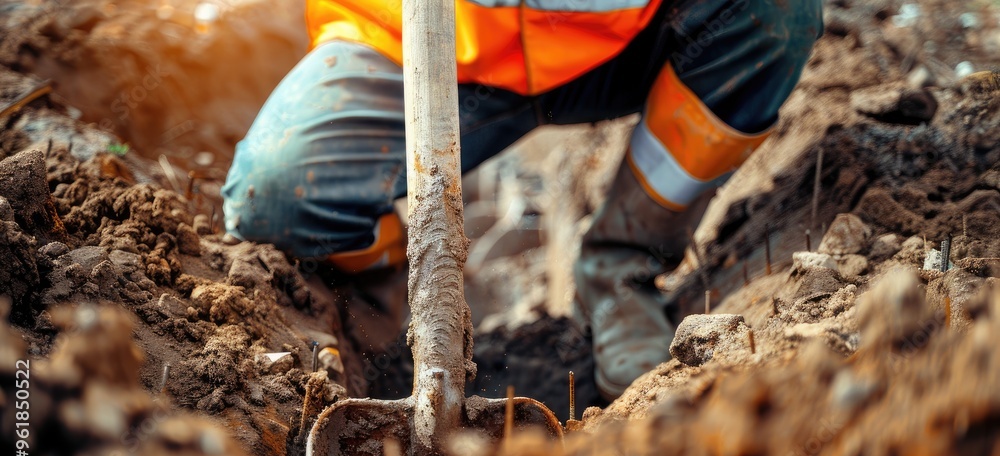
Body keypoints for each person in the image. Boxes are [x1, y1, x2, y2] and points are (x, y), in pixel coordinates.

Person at [222, 0, 824, 400]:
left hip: (616, 40)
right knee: (272, 194)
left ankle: (619, 267)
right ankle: (380, 305)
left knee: (772, 12)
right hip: (414, 39)